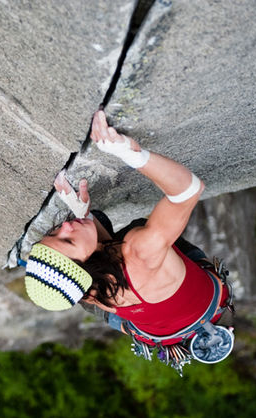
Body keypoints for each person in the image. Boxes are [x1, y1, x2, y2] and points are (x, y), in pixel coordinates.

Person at [24, 110, 233, 372]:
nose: (65, 226)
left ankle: (75, 246)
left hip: (149, 331)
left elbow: (93, 262)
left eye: (54, 233)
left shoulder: (86, 292)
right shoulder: (140, 251)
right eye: (68, 241)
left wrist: (84, 216)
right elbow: (188, 189)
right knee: (137, 228)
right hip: (204, 300)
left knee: (97, 303)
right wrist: (130, 152)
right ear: (91, 268)